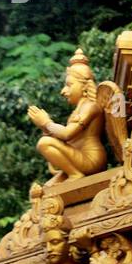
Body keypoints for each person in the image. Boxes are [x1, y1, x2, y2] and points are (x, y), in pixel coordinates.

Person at [26, 49, 106, 183]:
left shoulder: (91, 107)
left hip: (91, 159)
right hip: (78, 156)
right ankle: (73, 173)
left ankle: (75, 174)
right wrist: (45, 127)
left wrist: (47, 123)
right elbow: (67, 140)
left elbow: (67, 134)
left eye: (69, 85)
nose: (63, 91)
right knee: (47, 188)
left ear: (84, 86)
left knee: (44, 143)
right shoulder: (78, 110)